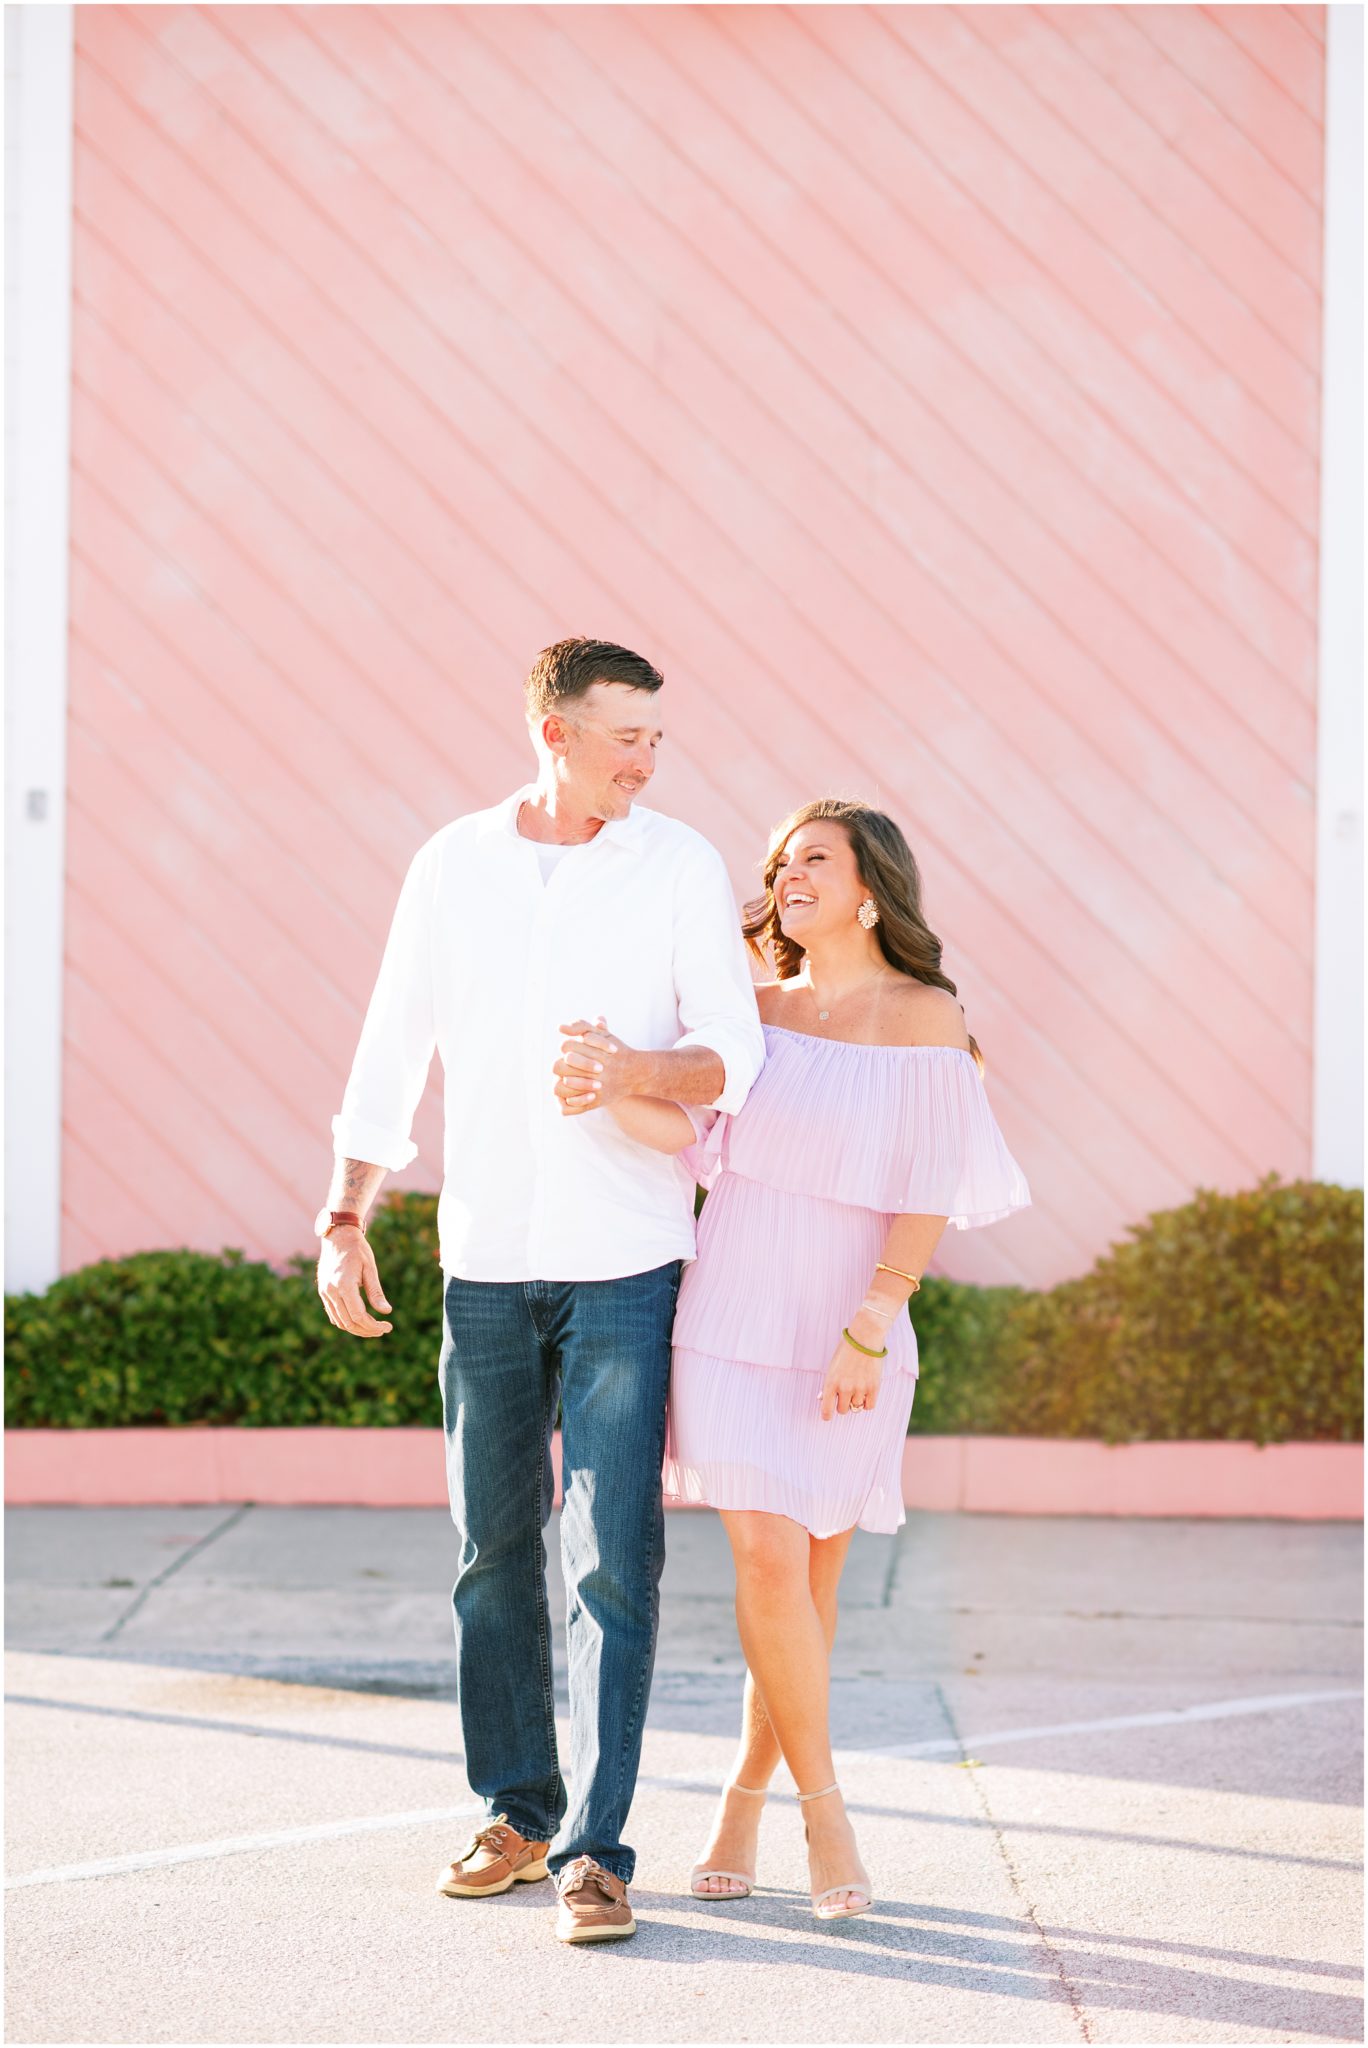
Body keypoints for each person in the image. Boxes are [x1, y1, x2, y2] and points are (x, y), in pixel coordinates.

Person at [315, 639, 764, 1946]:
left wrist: (634, 1068)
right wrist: (346, 1215)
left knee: (613, 1562)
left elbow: (732, 1056)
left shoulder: (677, 864)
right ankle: (518, 1809)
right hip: (486, 1266)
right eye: (626, 736)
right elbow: (392, 1044)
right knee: (492, 1556)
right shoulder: (453, 867)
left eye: (656, 741)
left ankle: (597, 1849)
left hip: (626, 1261)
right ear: (554, 732)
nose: (648, 759)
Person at [572, 798, 1029, 1921]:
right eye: (781, 861)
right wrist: (609, 1084)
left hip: (849, 1328)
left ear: (871, 885)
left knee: (812, 1590)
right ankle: (827, 1812)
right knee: (770, 1567)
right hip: (728, 1313)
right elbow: (699, 1138)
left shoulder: (926, 1015)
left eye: (814, 857)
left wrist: (871, 1324)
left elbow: (927, 1185)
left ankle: (741, 1797)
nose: (788, 874)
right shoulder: (753, 1012)